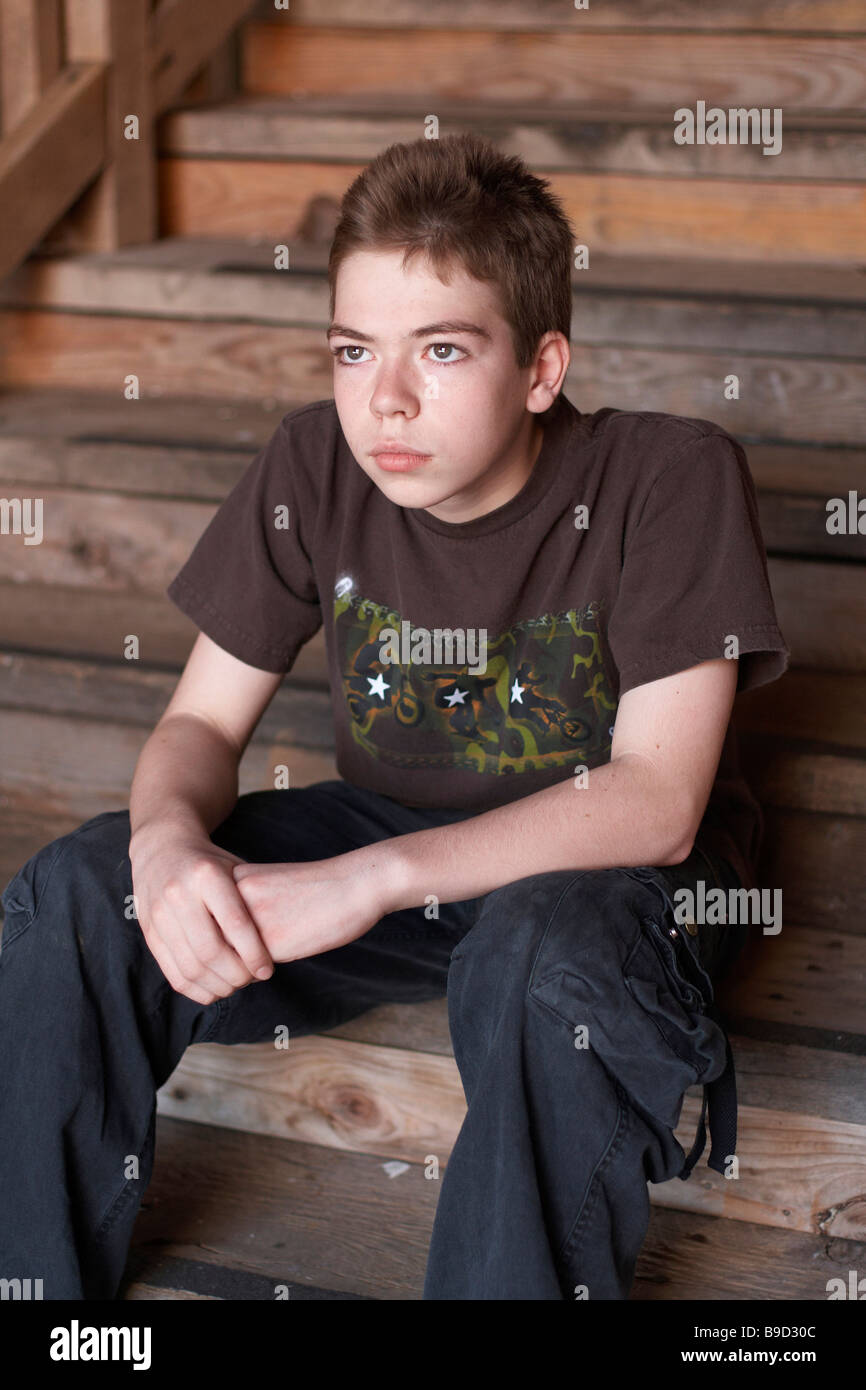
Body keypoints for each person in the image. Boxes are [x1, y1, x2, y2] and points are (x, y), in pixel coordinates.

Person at [0, 133, 790, 1301]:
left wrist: (367, 879)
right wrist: (164, 842)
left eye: (442, 349)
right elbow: (200, 733)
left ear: (538, 368)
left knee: (537, 963)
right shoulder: (312, 465)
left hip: (603, 884)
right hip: (388, 837)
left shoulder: (665, 477)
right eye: (353, 350)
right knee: (79, 889)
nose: (387, 399)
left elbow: (658, 804)